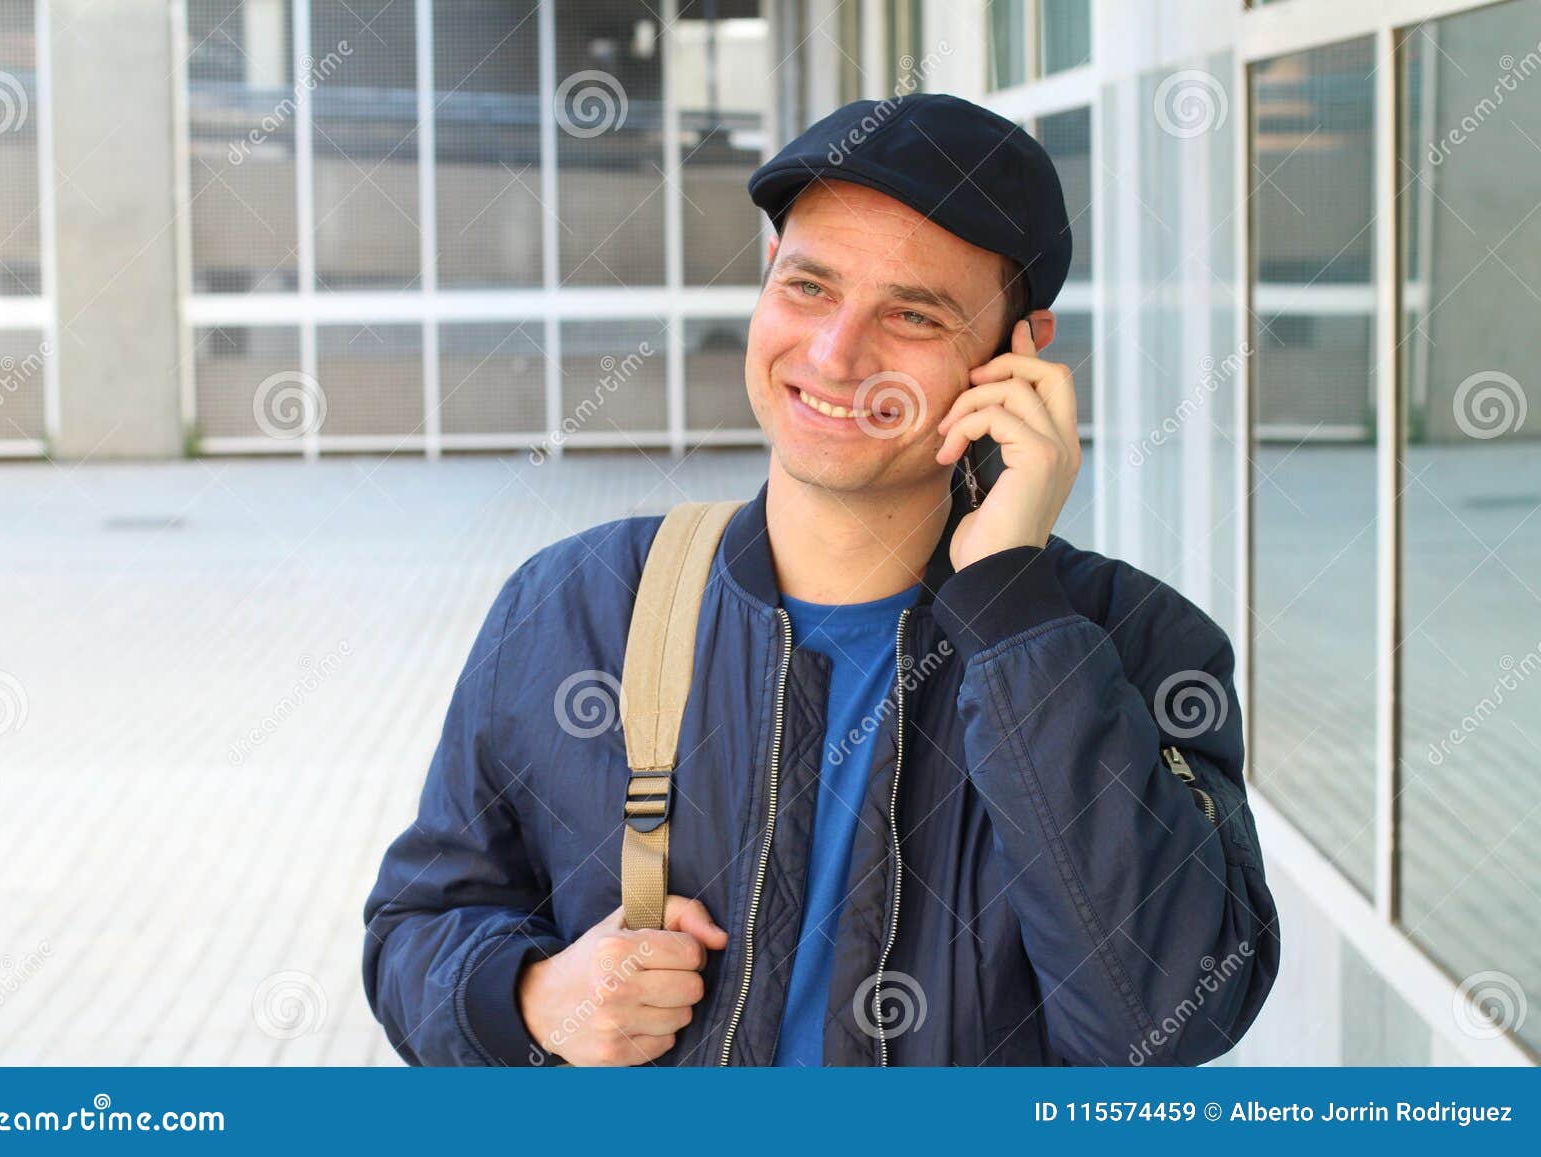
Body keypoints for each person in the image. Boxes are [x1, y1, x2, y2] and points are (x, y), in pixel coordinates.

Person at [362, 94, 1279, 1067]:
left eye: (913, 312)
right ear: (766, 283)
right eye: (808, 289)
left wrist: (1013, 607)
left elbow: (1165, 1017)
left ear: (1017, 355)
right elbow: (417, 923)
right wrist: (533, 995)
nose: (837, 354)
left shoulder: (1136, 644)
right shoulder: (578, 602)